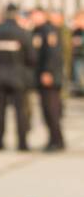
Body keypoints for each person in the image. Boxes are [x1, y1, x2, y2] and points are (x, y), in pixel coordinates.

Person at [0, 4, 34, 152]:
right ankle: (22, 143)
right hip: (18, 77)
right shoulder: (22, 33)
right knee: (21, 111)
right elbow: (31, 58)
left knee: (0, 112)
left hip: (0, 76)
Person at [30, 8, 66, 151]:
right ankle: (54, 139)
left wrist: (48, 72)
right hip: (41, 76)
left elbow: (53, 53)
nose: (33, 18)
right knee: (47, 110)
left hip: (49, 78)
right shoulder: (36, 30)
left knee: (52, 110)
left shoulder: (49, 30)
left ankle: (56, 141)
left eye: (35, 15)